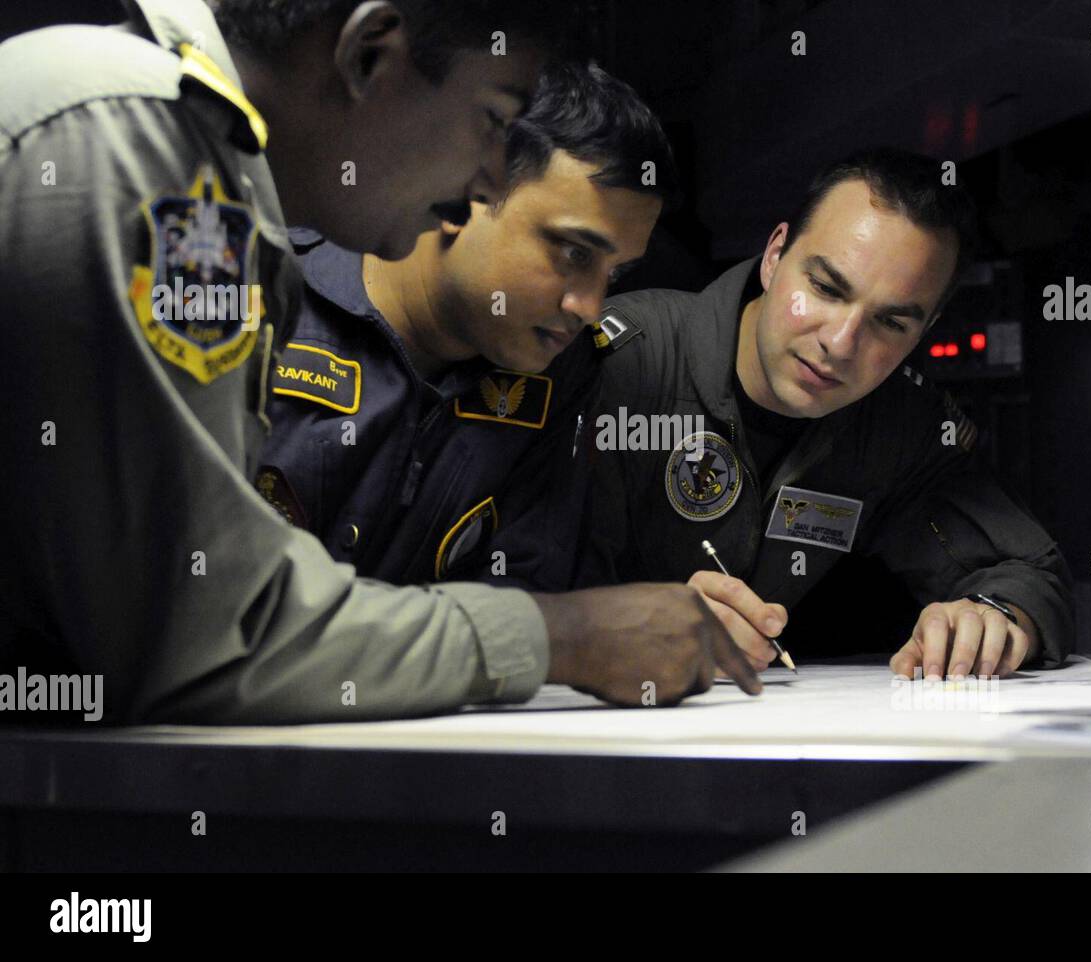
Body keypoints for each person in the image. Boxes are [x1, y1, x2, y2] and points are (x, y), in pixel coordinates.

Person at [0, 0, 760, 725]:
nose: (490, 180)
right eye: (492, 120)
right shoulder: (137, 145)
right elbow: (195, 636)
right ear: (370, 55)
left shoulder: (161, 140)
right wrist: (563, 637)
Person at [577, 147, 1075, 680]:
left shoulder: (901, 424)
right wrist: (630, 623)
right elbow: (501, 587)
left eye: (890, 323)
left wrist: (990, 617)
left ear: (923, 334)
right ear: (774, 256)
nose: (840, 343)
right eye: (826, 288)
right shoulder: (617, 366)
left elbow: (1029, 572)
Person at [256, 62, 670, 592]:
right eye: (573, 252)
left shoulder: (563, 377)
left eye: (616, 273)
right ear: (459, 193)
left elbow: (524, 606)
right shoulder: (265, 294)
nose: (590, 306)